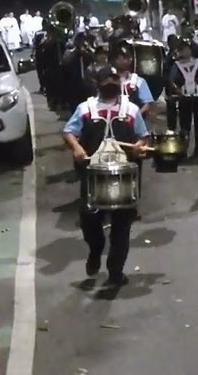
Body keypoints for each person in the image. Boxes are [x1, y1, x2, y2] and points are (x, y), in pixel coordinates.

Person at [62, 66, 149, 285]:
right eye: (107, 79)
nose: (111, 82)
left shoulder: (131, 110)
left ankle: (115, 271)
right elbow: (69, 132)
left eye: (115, 79)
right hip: (93, 177)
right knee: (89, 223)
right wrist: (77, 148)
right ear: (98, 84)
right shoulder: (85, 108)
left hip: (124, 179)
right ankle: (96, 250)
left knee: (122, 228)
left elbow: (143, 136)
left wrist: (139, 145)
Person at [166, 42, 198, 158]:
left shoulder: (197, 63)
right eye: (182, 50)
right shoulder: (177, 65)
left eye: (186, 49)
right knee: (185, 125)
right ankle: (184, 149)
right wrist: (176, 89)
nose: (185, 52)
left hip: (197, 95)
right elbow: (171, 80)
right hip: (184, 97)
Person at [111, 47, 155, 117]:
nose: (121, 60)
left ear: (130, 60)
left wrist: (135, 117)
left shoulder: (139, 81)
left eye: (124, 57)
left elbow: (147, 104)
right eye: (118, 58)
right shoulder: (109, 80)